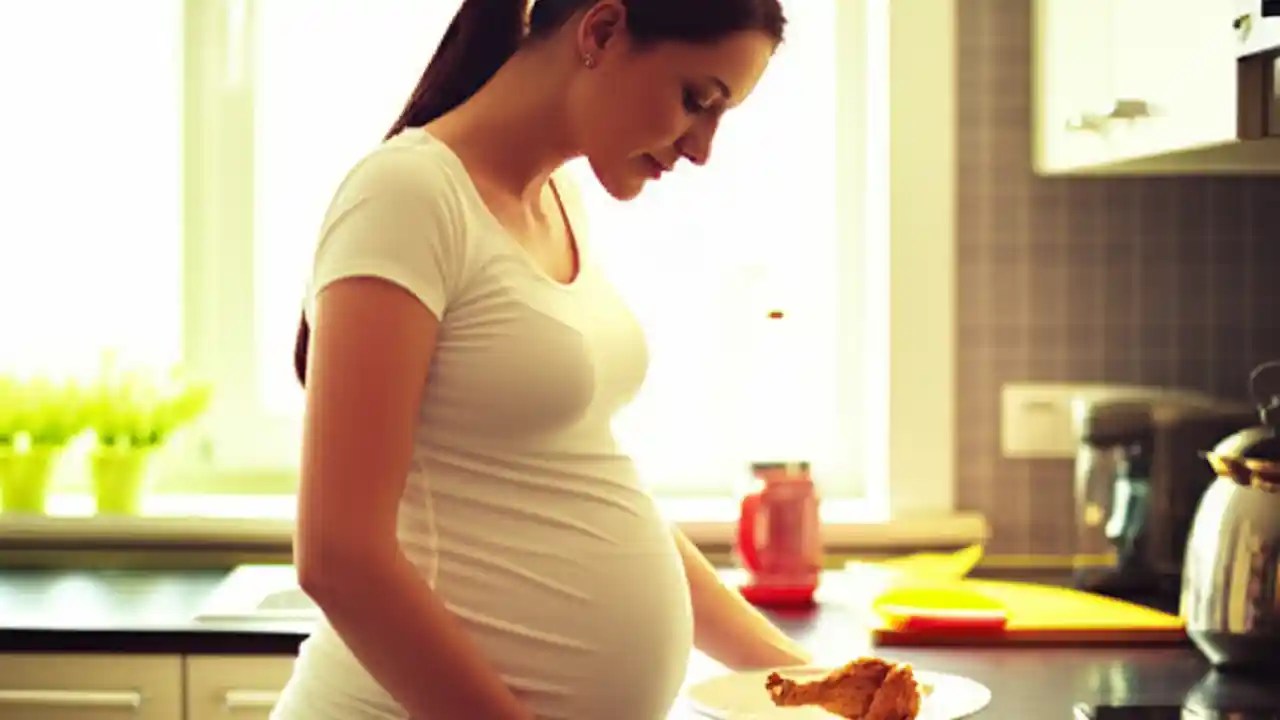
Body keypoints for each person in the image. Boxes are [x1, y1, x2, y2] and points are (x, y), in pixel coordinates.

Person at [271, 1, 810, 718]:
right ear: (603, 30)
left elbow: (580, 484)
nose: (702, 148)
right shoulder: (406, 195)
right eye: (696, 100)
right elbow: (340, 558)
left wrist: (814, 680)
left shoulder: (556, 201)